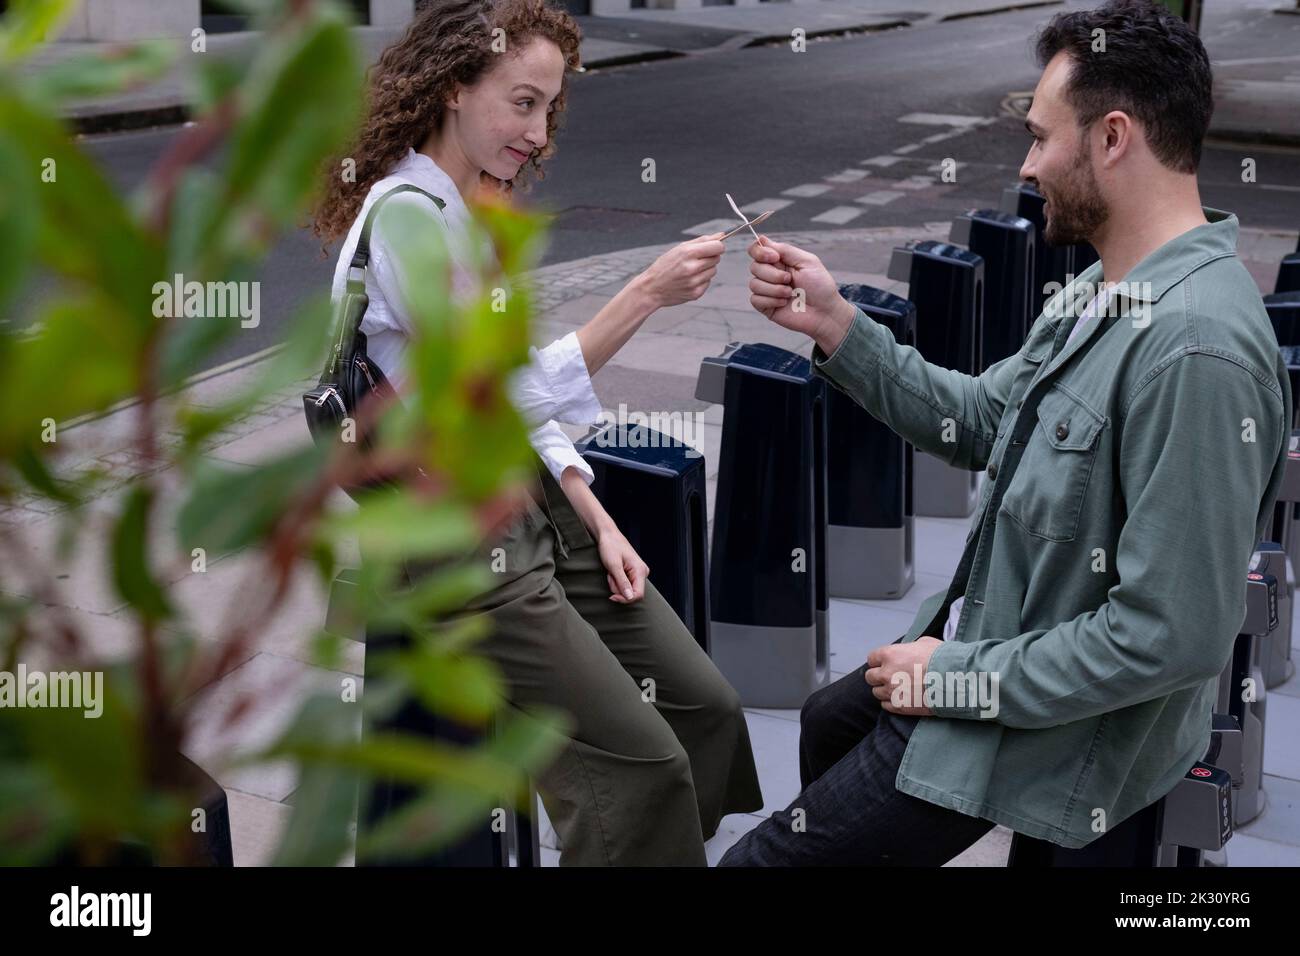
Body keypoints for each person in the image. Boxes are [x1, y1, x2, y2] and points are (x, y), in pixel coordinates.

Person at [721, 0, 1291, 865]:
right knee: (825, 725)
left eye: (1039, 136)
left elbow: (1173, 635)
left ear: (1111, 138)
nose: (1027, 166)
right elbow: (984, 419)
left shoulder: (1195, 349)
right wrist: (836, 323)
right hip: (990, 648)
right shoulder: (1108, 287)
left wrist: (949, 676)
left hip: (1043, 728)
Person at [312, 0, 762, 866]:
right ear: (451, 88)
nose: (538, 129)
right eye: (522, 102)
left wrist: (596, 514)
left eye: (550, 108)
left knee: (705, 707)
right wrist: (642, 296)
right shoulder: (408, 219)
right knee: (642, 766)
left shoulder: (466, 210)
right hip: (461, 547)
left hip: (536, 512)